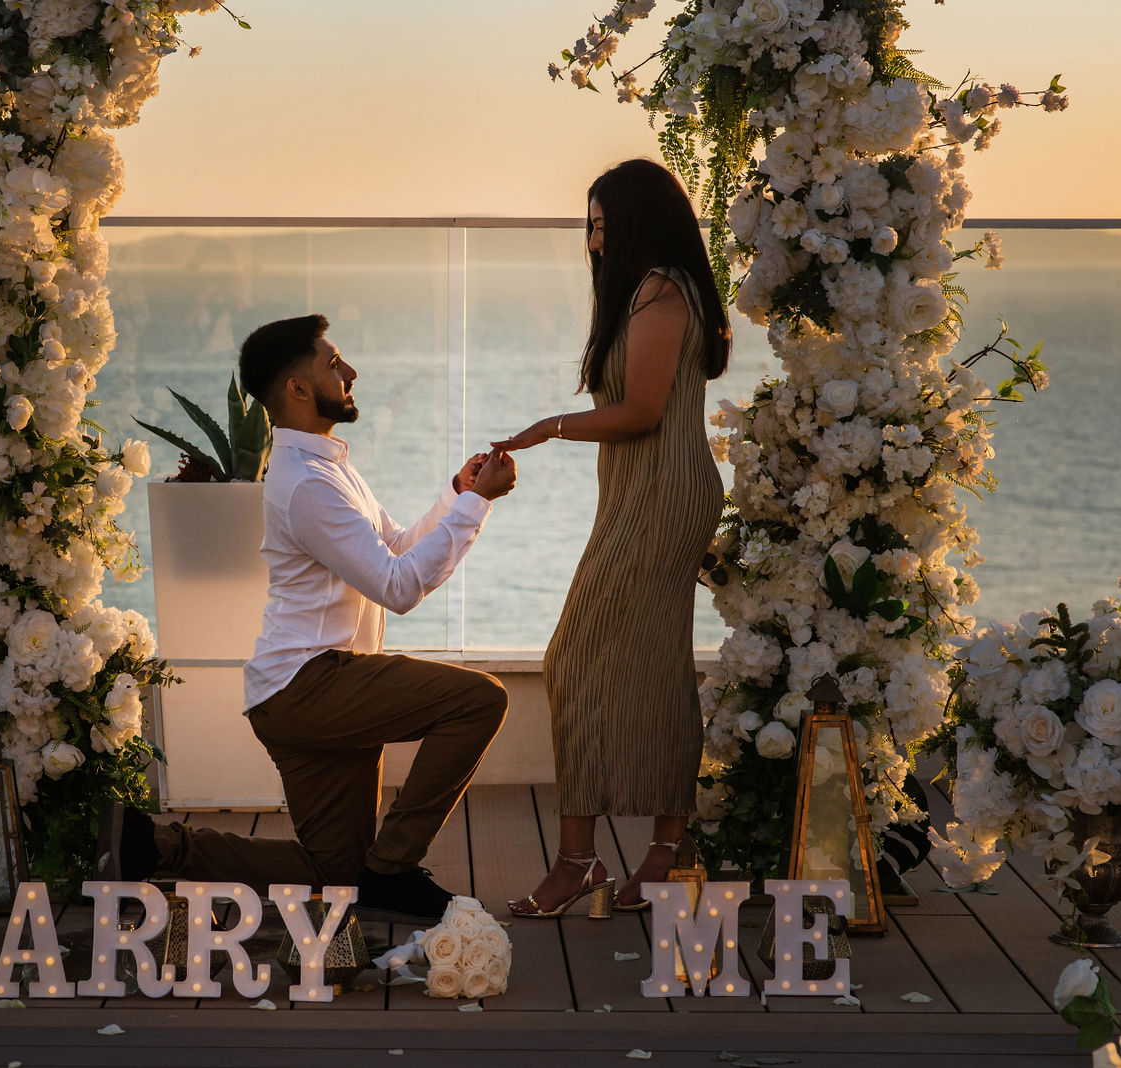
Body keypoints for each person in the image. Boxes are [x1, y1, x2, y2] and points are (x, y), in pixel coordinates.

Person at [114, 314, 517, 923]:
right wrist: (477, 506)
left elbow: (398, 549)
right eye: (333, 363)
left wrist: (458, 494)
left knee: (337, 881)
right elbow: (398, 588)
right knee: (478, 700)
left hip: (302, 690)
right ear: (298, 389)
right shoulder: (306, 482)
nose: (349, 372)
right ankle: (396, 868)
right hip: (312, 684)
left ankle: (153, 846)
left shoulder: (326, 470)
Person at [491, 159, 731, 917]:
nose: (593, 241)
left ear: (637, 222)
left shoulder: (662, 291)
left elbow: (641, 413)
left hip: (664, 493)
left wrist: (545, 429)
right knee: (623, 661)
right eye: (588, 227)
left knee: (580, 656)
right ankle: (614, 856)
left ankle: (633, 853)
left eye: (602, 225)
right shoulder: (646, 291)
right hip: (640, 490)